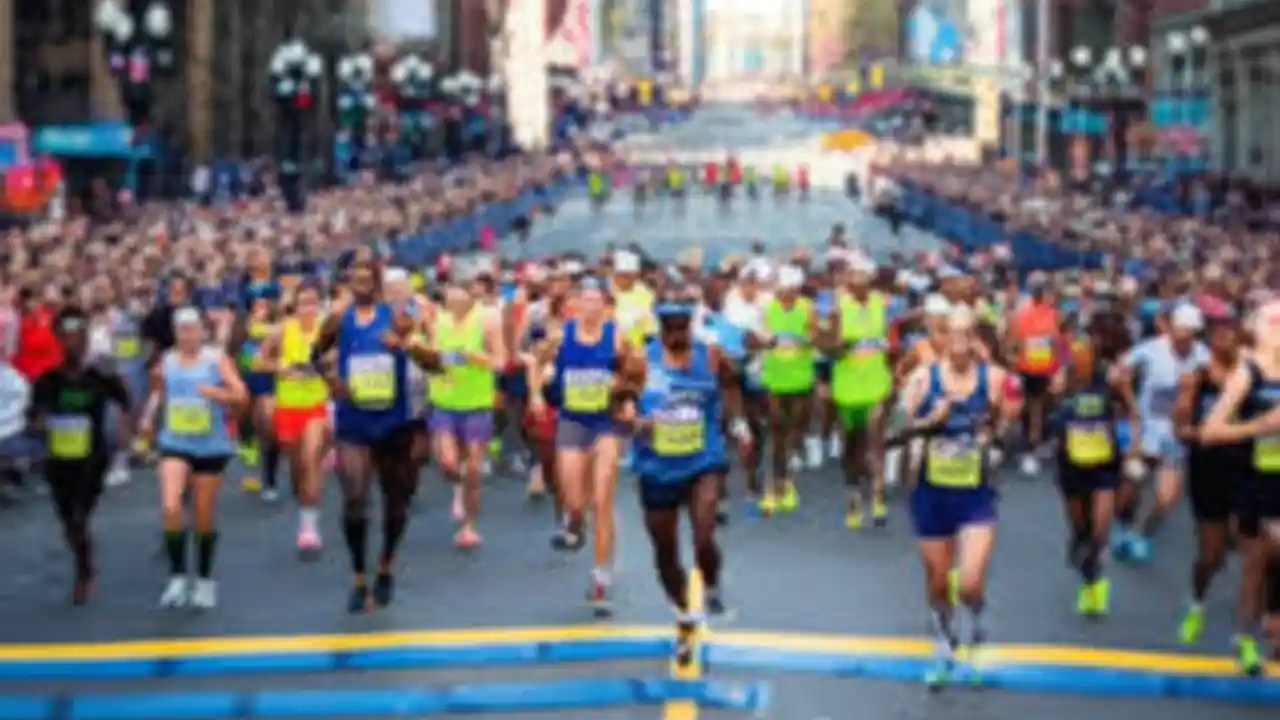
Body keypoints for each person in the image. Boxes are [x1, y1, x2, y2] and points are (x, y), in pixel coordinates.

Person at [614, 284, 751, 666]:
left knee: (705, 531)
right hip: (657, 466)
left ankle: (711, 586)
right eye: (670, 328)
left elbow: (730, 387)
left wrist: (738, 425)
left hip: (701, 459)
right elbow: (619, 399)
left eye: (682, 328)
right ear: (660, 328)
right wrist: (632, 418)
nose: (677, 335)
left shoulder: (709, 356)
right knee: (665, 553)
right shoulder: (642, 360)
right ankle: (682, 612)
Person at [901, 308, 1019, 688]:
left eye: (965, 335)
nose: (957, 344)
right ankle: (943, 645)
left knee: (968, 582)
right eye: (949, 335)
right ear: (940, 339)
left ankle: (977, 627)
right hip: (931, 493)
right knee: (938, 581)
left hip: (975, 495)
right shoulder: (923, 378)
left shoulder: (996, 379)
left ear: (976, 341)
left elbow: (1011, 428)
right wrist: (929, 420)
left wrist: (995, 434)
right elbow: (895, 429)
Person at [313, 259, 423, 612]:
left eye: (367, 282)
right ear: (348, 285)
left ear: (377, 286)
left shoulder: (398, 318)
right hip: (354, 420)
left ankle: (386, 566)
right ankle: (359, 576)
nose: (361, 287)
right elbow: (315, 354)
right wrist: (331, 381)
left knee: (396, 501)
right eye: (355, 282)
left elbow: (429, 358)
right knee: (355, 498)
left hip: (394, 420)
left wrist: (404, 345)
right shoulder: (338, 320)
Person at [142, 307, 247, 610]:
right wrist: (148, 422)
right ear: (175, 334)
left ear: (203, 331)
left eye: (193, 329)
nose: (188, 336)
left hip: (211, 446)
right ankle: (176, 577)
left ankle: (204, 580)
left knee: (202, 515)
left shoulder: (216, 359)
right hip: (174, 442)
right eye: (182, 330)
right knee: (171, 504)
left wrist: (216, 394)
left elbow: (240, 394)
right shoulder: (167, 361)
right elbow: (157, 396)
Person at [26, 306, 132, 604]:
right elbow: (34, 416)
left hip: (92, 460)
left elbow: (125, 401)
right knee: (68, 523)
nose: (73, 343)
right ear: (59, 340)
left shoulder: (100, 375)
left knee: (78, 518)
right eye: (67, 337)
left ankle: (84, 573)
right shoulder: (48, 381)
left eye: (78, 336)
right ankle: (83, 558)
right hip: (59, 461)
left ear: (86, 339)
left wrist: (126, 430)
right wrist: (39, 422)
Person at [1198, 299, 1280, 675]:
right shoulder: (1248, 373)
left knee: (1270, 555)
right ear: (1260, 328)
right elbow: (1209, 431)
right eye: (1274, 321)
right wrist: (1258, 427)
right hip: (1253, 481)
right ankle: (1248, 636)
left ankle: (1269, 625)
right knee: (1260, 559)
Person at [537, 276, 627, 613]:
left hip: (606, 423)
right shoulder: (563, 335)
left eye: (596, 301)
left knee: (603, 498)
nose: (590, 307)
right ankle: (577, 521)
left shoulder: (616, 336)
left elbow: (635, 372)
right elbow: (537, 361)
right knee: (575, 500)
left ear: (605, 305)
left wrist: (627, 394)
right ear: (577, 305)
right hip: (573, 420)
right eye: (584, 301)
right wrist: (535, 394)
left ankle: (602, 577)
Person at [1174, 307, 1246, 644]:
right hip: (1209, 469)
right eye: (1219, 336)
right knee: (1211, 555)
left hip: (1249, 470)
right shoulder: (1196, 378)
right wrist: (1201, 432)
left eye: (1232, 335)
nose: (1226, 341)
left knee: (1260, 548)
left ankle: (1251, 627)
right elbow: (1180, 428)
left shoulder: (1253, 378)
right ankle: (1196, 603)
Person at [257, 282, 332, 553]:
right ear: (295, 306)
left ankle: (309, 527)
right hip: (288, 407)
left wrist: (325, 367)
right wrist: (282, 367)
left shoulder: (328, 328)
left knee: (311, 459)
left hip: (317, 405)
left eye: (313, 302)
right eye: (303, 303)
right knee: (298, 466)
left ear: (320, 304)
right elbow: (256, 361)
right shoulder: (281, 330)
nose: (308, 309)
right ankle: (306, 502)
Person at [428, 279, 503, 549]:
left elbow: (501, 361)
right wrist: (429, 361)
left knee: (473, 470)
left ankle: (469, 526)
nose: (453, 300)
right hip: (444, 401)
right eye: (449, 295)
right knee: (448, 462)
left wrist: (477, 358)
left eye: (458, 295)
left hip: (476, 403)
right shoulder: (439, 320)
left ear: (470, 298)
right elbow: (435, 357)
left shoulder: (487, 320)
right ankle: (457, 486)